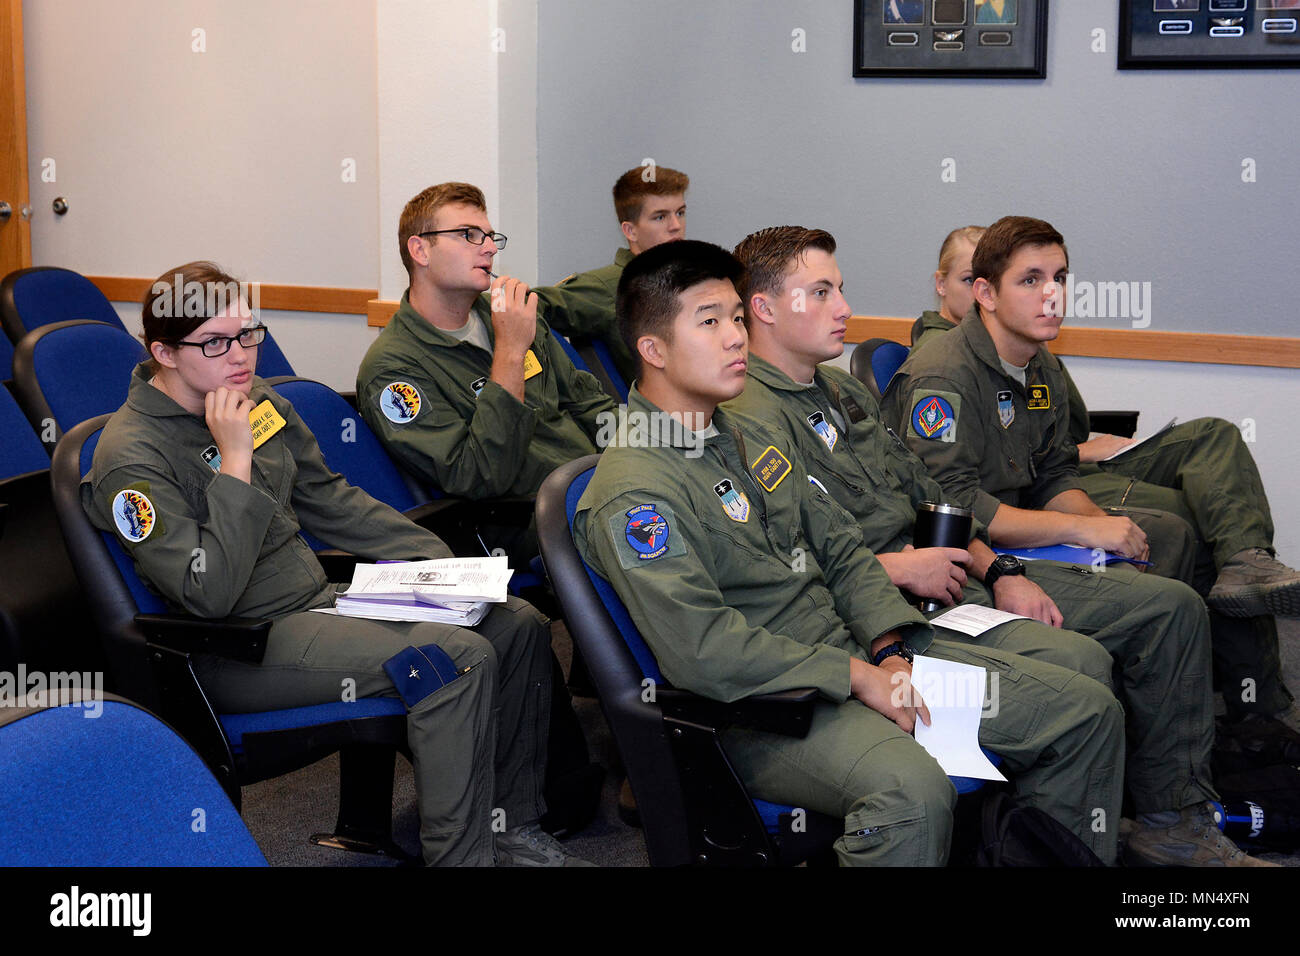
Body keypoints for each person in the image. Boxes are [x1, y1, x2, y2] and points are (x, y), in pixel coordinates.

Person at [574, 239, 1142, 866]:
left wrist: (889, 650)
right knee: (912, 792)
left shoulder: (746, 434)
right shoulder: (635, 492)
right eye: (710, 321)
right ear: (653, 349)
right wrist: (857, 677)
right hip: (767, 707)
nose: (736, 336)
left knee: (1082, 712)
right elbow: (705, 650)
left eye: (736, 317)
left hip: (855, 652)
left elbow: (842, 552)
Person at [724, 226, 1266, 866]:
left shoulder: (839, 391)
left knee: (1145, 625)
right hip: (879, 617)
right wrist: (901, 570)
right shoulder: (746, 419)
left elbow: (933, 495)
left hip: (946, 579)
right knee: (1083, 691)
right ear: (762, 309)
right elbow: (782, 571)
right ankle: (1045, 836)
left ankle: (1102, 826)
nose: (844, 307)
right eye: (821, 292)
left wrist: (1003, 569)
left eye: (839, 289)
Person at [84, 261, 586, 867]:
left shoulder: (255, 399)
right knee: (454, 661)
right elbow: (208, 592)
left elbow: (332, 501)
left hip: (319, 603)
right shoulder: (130, 458)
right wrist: (236, 464)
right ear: (161, 351)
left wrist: (447, 569)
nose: (240, 355)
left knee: (516, 621)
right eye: (214, 343)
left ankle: (510, 829)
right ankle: (461, 858)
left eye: (248, 333)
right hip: (238, 644)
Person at [901, 218, 1300, 732]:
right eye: (1031, 280)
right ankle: (1170, 766)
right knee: (1169, 605)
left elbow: (1055, 474)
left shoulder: (1039, 364)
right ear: (986, 293)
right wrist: (1082, 530)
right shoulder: (942, 375)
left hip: (1025, 524)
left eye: (1060, 278)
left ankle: (1237, 717)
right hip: (972, 557)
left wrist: (1103, 534)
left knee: (1169, 536)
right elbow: (958, 506)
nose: (1052, 296)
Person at [356, 182, 614, 558]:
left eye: (491, 237)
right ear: (420, 249)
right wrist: (510, 351)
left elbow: (589, 405)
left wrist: (641, 460)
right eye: (468, 235)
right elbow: (479, 477)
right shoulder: (392, 369)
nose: (490, 247)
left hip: (597, 489)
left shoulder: (509, 316)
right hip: (529, 521)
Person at [534, 165, 689, 384]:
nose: (676, 226)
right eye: (660, 217)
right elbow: (523, 306)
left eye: (680, 213)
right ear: (630, 230)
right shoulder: (610, 286)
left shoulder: (688, 281)